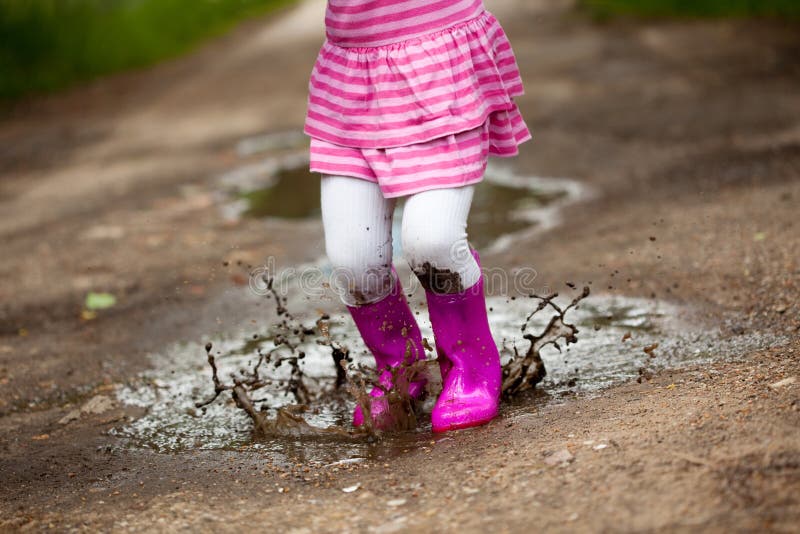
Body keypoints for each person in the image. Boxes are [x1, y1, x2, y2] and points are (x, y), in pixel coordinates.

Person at [304, 0, 531, 432]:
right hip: (352, 85)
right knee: (355, 262)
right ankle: (402, 370)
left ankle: (469, 368)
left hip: (439, 67)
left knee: (433, 242)